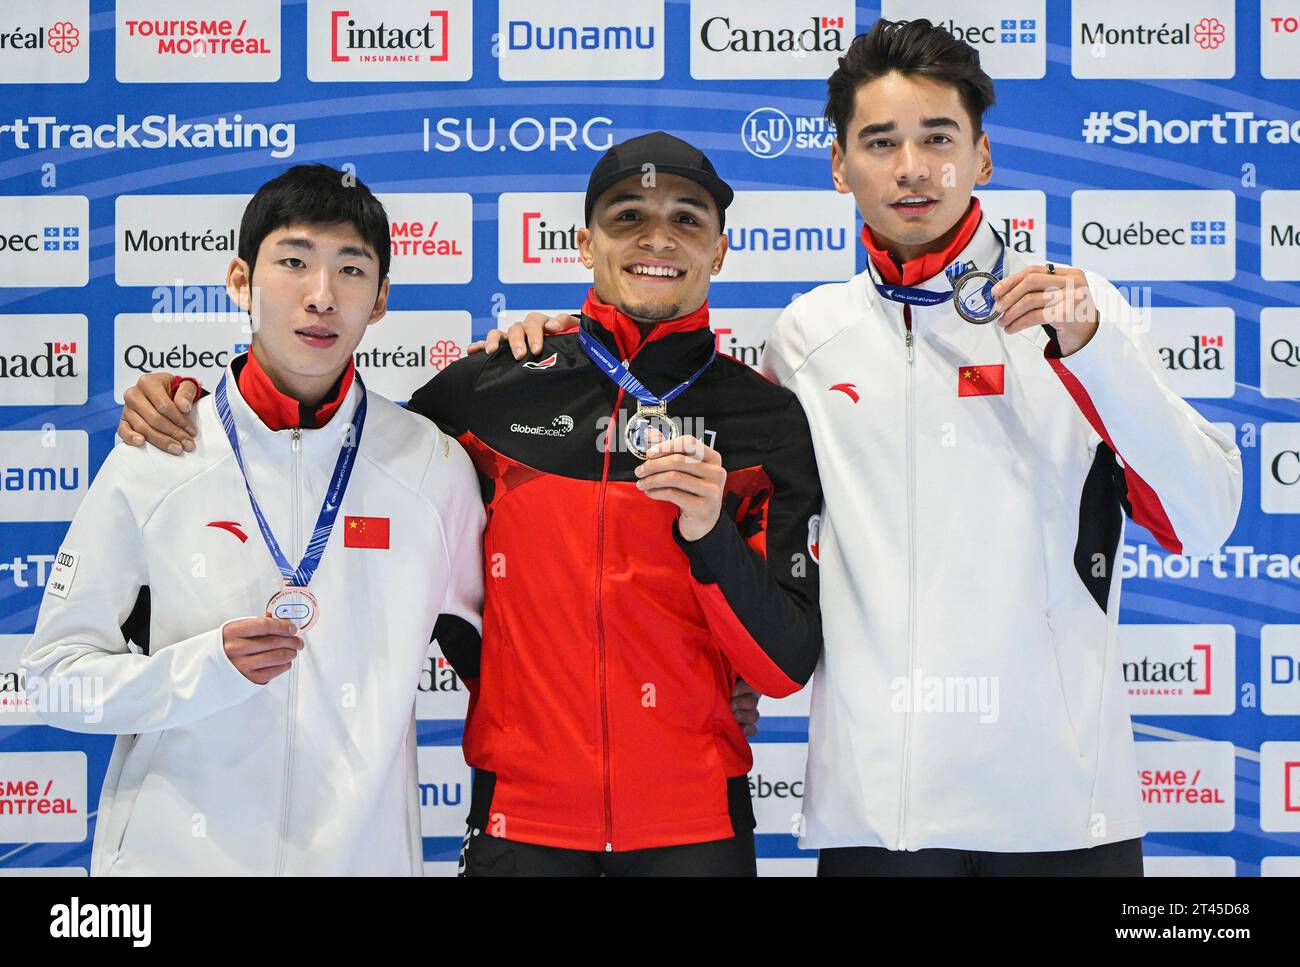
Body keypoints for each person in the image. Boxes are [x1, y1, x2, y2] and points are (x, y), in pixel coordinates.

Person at [487, 21, 1245, 876]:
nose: (912, 166)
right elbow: (738, 543)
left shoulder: (1075, 309)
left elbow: (1204, 516)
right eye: (881, 142)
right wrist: (561, 349)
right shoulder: (808, 336)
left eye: (937, 138)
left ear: (983, 156)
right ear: (841, 167)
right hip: (873, 822)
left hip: (1065, 813)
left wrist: (1096, 350)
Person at [114, 132, 824, 877]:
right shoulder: (488, 388)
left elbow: (781, 668)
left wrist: (708, 533)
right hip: (521, 824)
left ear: (720, 249)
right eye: (627, 217)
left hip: (697, 827)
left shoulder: (765, 420)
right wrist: (196, 405)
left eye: (688, 219)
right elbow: (328, 448)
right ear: (585, 243)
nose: (658, 238)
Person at [24, 164, 486, 875]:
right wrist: (202, 671)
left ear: (383, 298)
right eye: (294, 262)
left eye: (351, 269)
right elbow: (53, 677)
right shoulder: (162, 451)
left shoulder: (430, 468)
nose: (322, 296)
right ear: (241, 280)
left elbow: (517, 659)